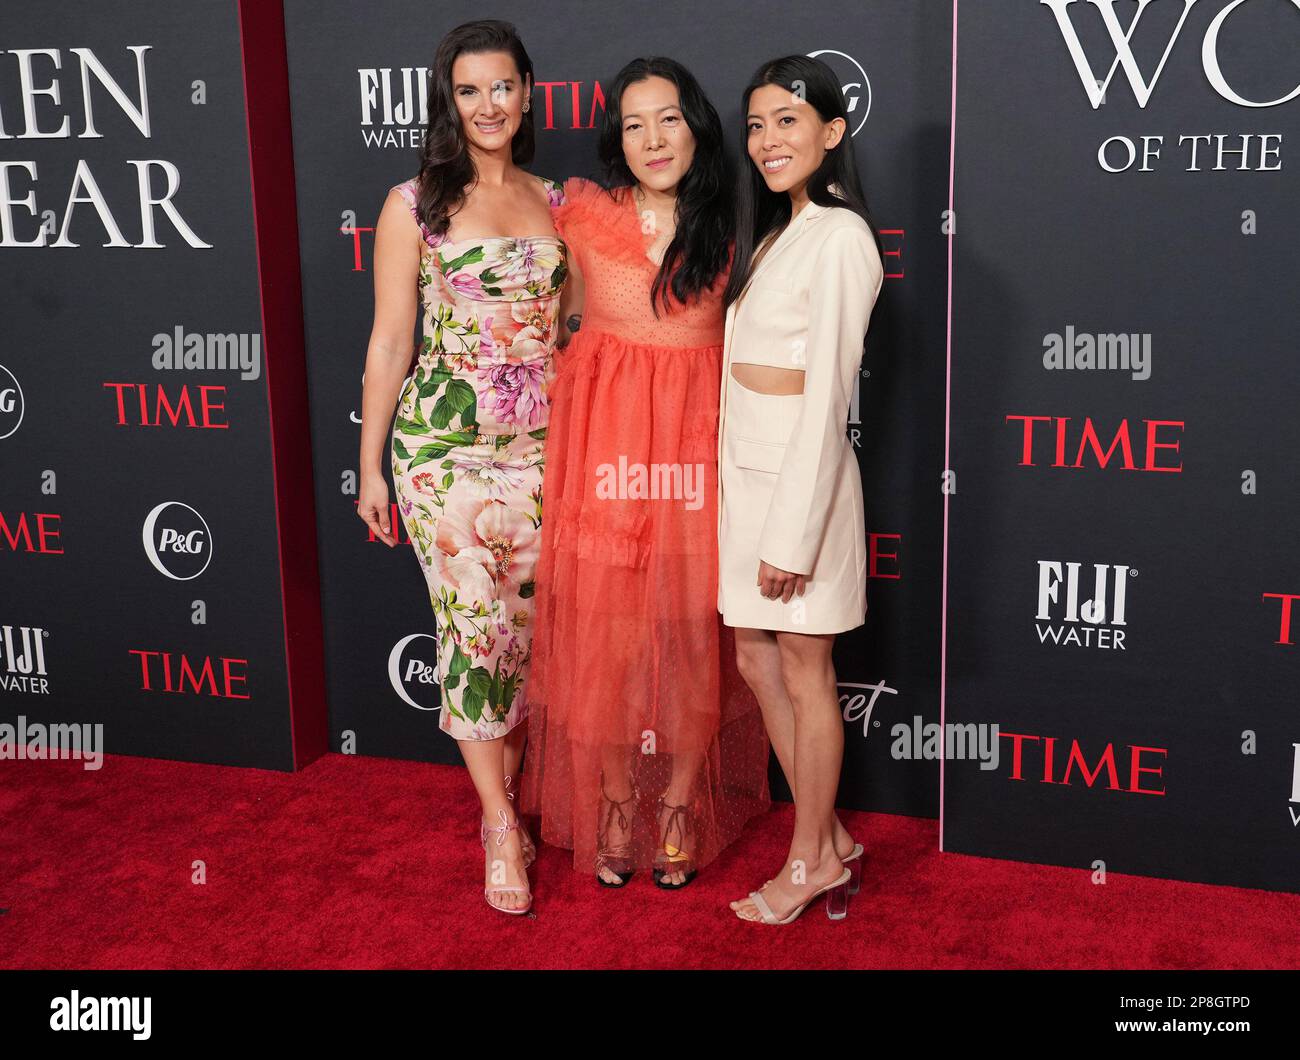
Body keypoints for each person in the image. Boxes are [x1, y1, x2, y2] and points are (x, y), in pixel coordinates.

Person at [521, 57, 769, 889]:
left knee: (695, 639)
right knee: (610, 641)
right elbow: (546, 322)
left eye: (667, 118)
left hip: (700, 464)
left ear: (696, 125)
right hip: (604, 460)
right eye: (633, 124)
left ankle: (679, 807)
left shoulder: (733, 227)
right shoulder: (582, 217)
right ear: (614, 138)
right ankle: (618, 802)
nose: (652, 138)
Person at [356, 20, 567, 916]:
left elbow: (582, 334)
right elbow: (392, 340)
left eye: (503, 86)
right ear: (450, 101)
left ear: (528, 92)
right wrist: (369, 468)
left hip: (545, 454)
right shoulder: (412, 205)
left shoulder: (559, 200)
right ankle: (496, 824)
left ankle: (507, 800)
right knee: (474, 632)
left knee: (521, 643)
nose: (488, 105)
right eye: (469, 90)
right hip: (444, 456)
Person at [719, 55, 886, 925]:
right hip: (745, 484)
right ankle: (829, 842)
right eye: (756, 123)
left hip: (799, 492)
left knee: (804, 667)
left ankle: (808, 857)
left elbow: (827, 399)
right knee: (755, 658)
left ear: (831, 131)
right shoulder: (778, 231)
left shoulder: (843, 237)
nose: (769, 139)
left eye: (789, 119)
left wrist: (791, 533)